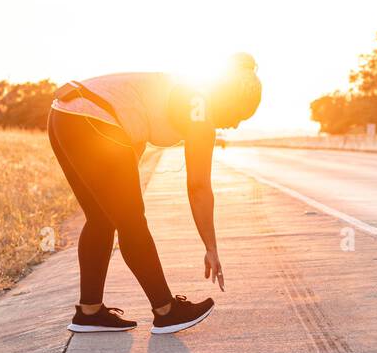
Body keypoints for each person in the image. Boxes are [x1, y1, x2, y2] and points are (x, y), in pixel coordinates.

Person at [46, 53, 261, 334]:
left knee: (101, 219)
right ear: (228, 100)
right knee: (131, 222)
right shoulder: (200, 112)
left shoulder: (187, 93)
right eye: (238, 115)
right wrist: (211, 247)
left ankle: (90, 312)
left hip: (65, 114)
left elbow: (131, 136)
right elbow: (198, 187)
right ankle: (166, 310)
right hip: (91, 119)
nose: (234, 125)